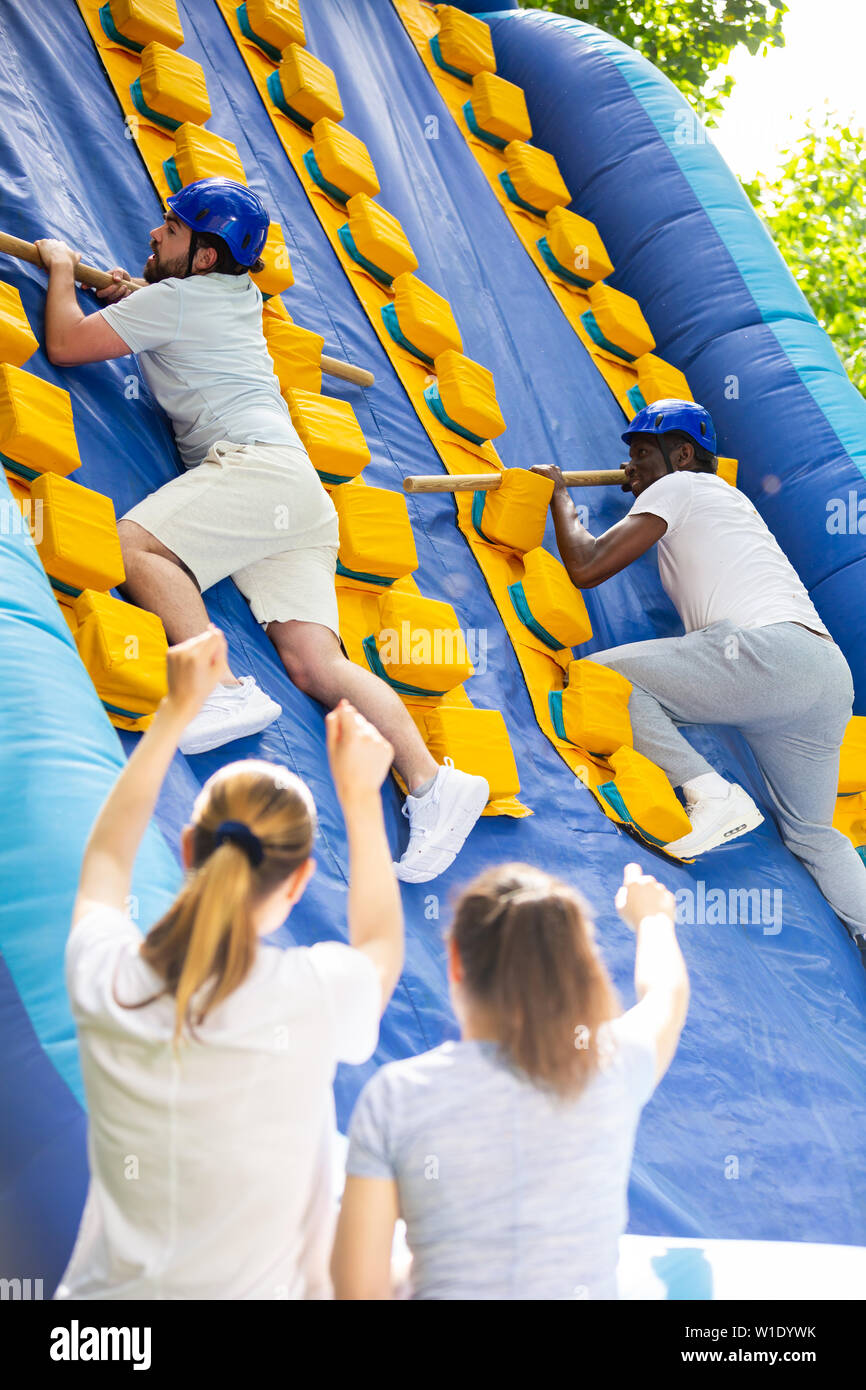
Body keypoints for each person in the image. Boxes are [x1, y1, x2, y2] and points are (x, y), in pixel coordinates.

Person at [35, 178, 488, 883]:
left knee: (133, 544)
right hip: (296, 493)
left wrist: (62, 264)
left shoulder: (178, 300)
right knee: (317, 663)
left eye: (172, 229)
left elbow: (64, 344)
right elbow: (172, 324)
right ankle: (432, 782)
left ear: (205, 257)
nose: (156, 234)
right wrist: (138, 298)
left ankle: (217, 685)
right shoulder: (232, 296)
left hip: (254, 471)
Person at [55, 626, 403, 1300]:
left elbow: (102, 865)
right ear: (298, 882)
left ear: (189, 848)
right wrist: (362, 802)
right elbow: (382, 947)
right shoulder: (311, 997)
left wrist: (171, 717)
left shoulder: (110, 979)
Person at [531, 399, 866, 950]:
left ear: (682, 454)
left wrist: (559, 495)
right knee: (813, 834)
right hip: (824, 675)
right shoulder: (727, 501)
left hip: (769, 657)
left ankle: (710, 791)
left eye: (641, 454)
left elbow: (587, 566)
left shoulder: (680, 487)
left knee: (602, 681)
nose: (630, 469)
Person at [331, 861, 688, 1300]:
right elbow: (666, 994)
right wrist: (652, 917)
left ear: (457, 962)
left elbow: (357, 1292)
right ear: (576, 970)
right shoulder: (614, 1063)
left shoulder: (396, 1095)